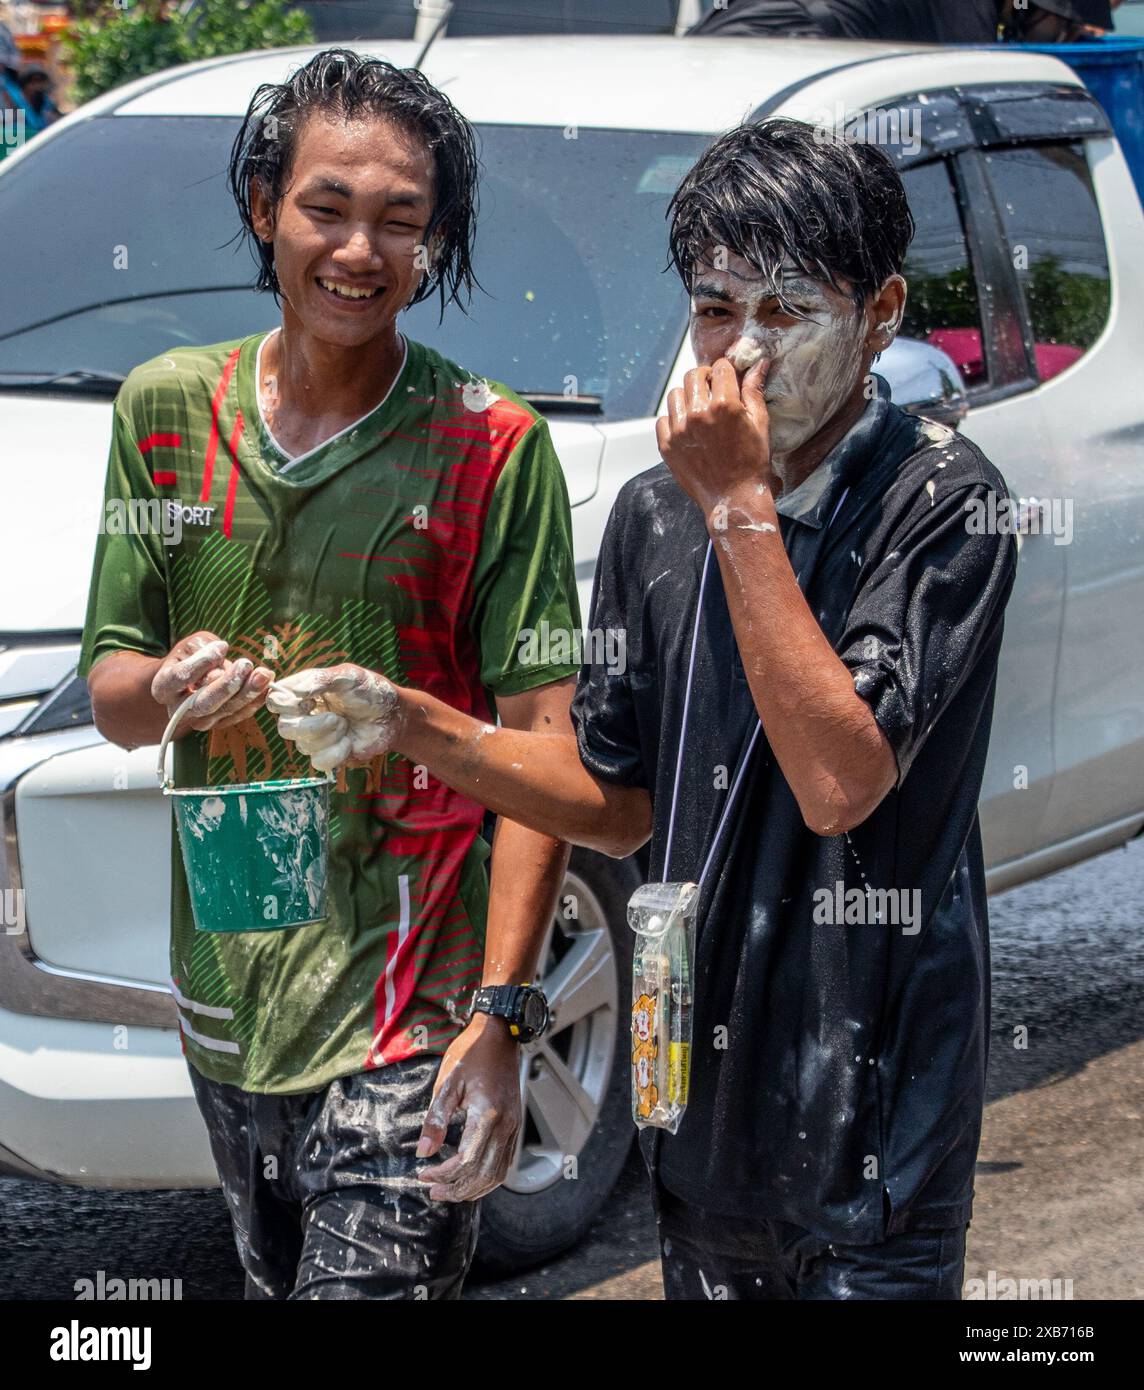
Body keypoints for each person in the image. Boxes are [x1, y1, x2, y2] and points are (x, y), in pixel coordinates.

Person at [270, 118, 1018, 1300]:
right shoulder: (655, 515)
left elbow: (839, 784)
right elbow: (616, 809)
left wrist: (740, 507)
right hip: (702, 1109)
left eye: (786, 312)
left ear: (878, 314)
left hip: (874, 1129)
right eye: (717, 311)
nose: (743, 354)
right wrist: (417, 721)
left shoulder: (940, 503)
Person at [80, 48, 582, 1300]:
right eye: (327, 208)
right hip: (231, 982)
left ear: (436, 240)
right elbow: (114, 696)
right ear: (266, 207)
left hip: (411, 1004)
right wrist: (173, 683)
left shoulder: (490, 445)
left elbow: (545, 756)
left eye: (400, 221)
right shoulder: (163, 413)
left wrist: (505, 1018)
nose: (360, 250)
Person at [686, 0, 1113, 43]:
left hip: (721, 32)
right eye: (1067, 28)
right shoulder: (966, 19)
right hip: (784, 42)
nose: (1072, 38)